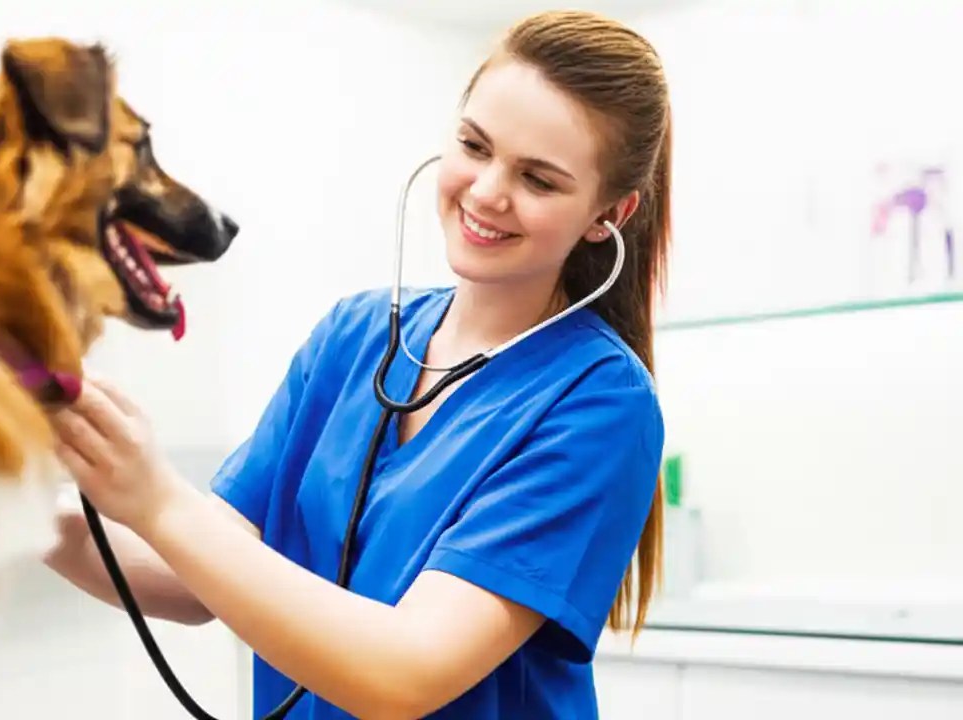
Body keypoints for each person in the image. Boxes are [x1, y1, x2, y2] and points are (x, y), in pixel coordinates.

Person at [46, 9, 673, 719]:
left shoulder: (598, 403)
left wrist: (155, 497)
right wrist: (0, 506)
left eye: (539, 179)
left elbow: (407, 672)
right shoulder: (354, 337)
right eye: (474, 144)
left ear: (607, 216)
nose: (488, 191)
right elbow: (187, 576)